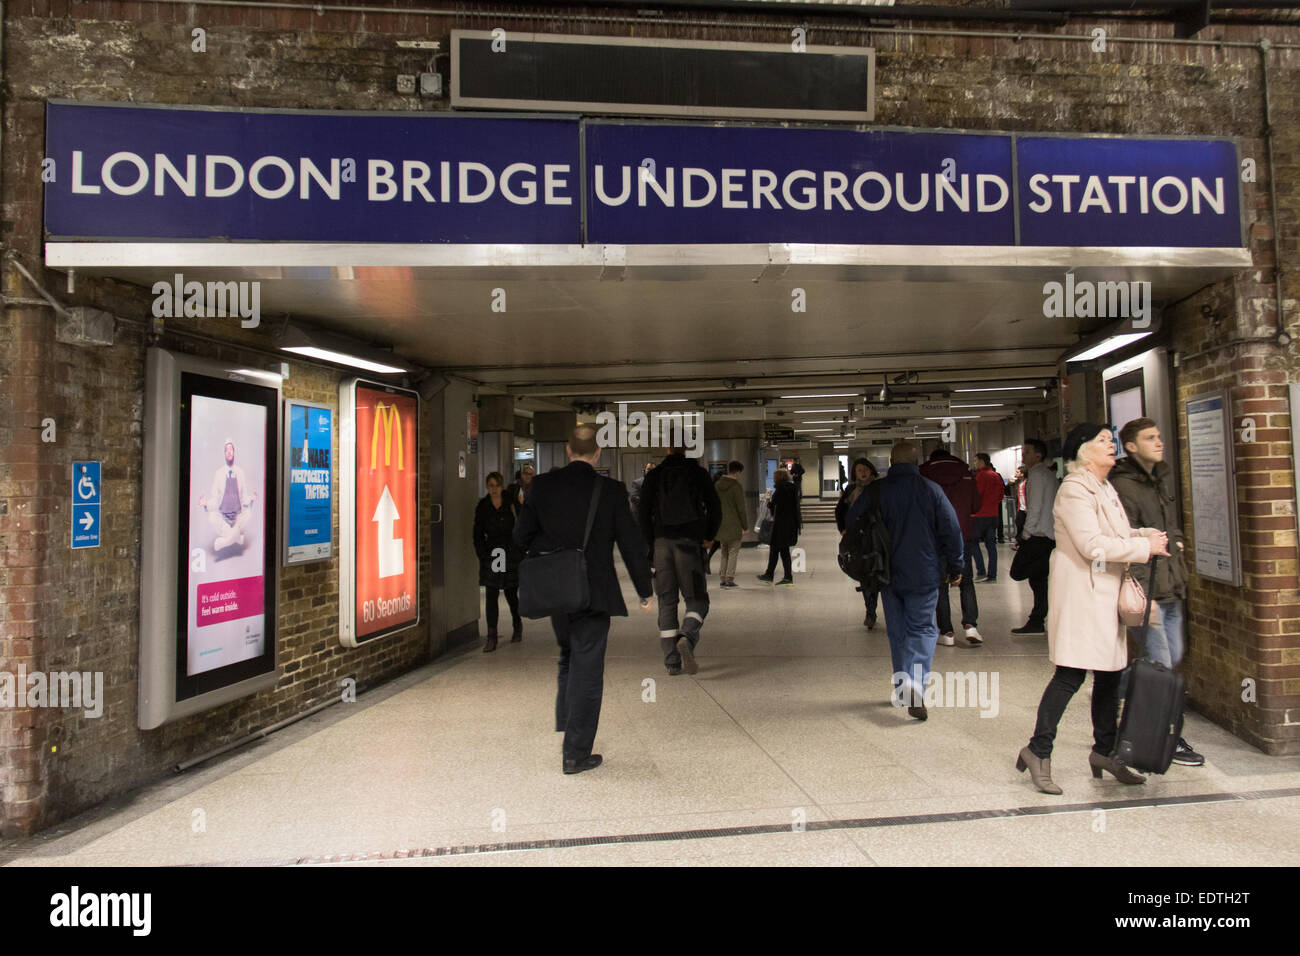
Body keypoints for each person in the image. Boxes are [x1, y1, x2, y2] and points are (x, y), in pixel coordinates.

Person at [1016, 423, 1169, 795]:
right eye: (1102, 441)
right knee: (1070, 675)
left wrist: (1143, 536)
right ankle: (1038, 750)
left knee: (1110, 674)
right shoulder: (1074, 490)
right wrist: (1141, 549)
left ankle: (1105, 752)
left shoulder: (1103, 486)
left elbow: (1113, 535)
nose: (1110, 445)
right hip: (1084, 597)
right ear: (1083, 452)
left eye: (1110, 439)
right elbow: (1090, 545)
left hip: (1105, 594)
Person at [513, 426, 653, 776]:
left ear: (567, 449)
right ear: (598, 453)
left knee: (568, 654)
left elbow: (520, 537)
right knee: (588, 670)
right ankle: (575, 753)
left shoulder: (541, 486)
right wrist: (644, 589)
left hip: (557, 590)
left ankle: (566, 721)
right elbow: (631, 544)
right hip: (594, 592)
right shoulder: (610, 491)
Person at [846, 441, 963, 721]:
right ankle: (916, 687)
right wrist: (956, 564)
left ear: (890, 460)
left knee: (897, 632)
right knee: (922, 629)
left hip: (884, 572)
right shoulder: (931, 489)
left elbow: (852, 521)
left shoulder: (876, 490)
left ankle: (902, 688)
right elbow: (951, 528)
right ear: (917, 460)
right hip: (923, 571)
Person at [1112, 417, 1204, 767]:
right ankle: (1168, 734)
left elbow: (1171, 523)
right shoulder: (1122, 485)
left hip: (1172, 583)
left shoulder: (1162, 476)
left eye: (1159, 436)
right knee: (1162, 665)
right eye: (1150, 438)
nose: (1159, 442)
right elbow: (1125, 539)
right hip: (1146, 587)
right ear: (1132, 446)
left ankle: (1113, 692)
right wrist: (1142, 595)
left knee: (1174, 654)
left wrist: (1178, 540)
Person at [639, 446, 722, 676]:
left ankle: (671, 662)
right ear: (687, 447)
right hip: (689, 543)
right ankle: (687, 635)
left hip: (661, 544)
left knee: (666, 602)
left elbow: (643, 513)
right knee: (697, 600)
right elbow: (715, 507)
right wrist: (709, 536)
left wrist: (651, 544)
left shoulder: (654, 475)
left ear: (667, 448)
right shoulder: (698, 473)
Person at [920, 446, 982, 646]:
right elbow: (976, 505)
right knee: (966, 582)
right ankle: (971, 625)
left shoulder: (923, 475)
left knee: (940, 586)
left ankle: (946, 632)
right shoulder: (967, 475)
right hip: (962, 534)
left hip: (935, 538)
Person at [1011, 439, 1058, 636]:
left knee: (1022, 572)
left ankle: (1038, 618)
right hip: (1048, 534)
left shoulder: (1038, 476)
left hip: (1039, 535)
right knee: (1039, 579)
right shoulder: (1046, 475)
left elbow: (1035, 507)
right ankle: (1038, 618)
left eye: (1027, 452)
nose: (1023, 456)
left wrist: (1025, 534)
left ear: (1038, 455)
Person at [473, 471, 523, 653]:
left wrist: (520, 550)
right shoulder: (483, 506)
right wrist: (482, 554)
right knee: (492, 592)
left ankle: (517, 623)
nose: (493, 489)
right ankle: (491, 635)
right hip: (493, 553)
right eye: (490, 486)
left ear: (501, 486)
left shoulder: (511, 504)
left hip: (509, 551)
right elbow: (477, 532)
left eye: (496, 486)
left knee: (510, 592)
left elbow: (522, 524)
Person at [836, 458, 880, 628]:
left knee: (876, 570)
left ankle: (872, 607)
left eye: (865, 469)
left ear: (871, 470)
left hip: (876, 535)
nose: (863, 472)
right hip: (857, 538)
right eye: (859, 470)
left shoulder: (879, 488)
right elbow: (840, 510)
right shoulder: (851, 490)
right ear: (854, 473)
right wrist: (843, 530)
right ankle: (870, 610)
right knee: (863, 571)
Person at [198, 438, 255, 552]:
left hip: (237, 517)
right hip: (223, 517)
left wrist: (251, 499)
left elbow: (244, 498)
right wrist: (205, 504)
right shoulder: (219, 473)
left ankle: (224, 542)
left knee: (248, 514)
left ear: (234, 452)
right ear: (224, 454)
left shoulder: (240, 472)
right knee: (212, 517)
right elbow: (215, 498)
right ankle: (238, 539)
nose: (229, 452)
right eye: (226, 450)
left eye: (231, 449)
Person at [757, 468, 800, 586]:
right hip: (790, 523)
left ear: (778, 478)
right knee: (779, 550)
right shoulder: (793, 489)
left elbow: (773, 506)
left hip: (780, 524)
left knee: (779, 550)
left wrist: (768, 501)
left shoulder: (780, 489)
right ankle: (772, 574)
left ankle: (783, 576)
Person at [712, 461, 748, 588]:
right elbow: (741, 508)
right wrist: (745, 526)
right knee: (733, 551)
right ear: (737, 472)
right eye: (740, 473)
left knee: (724, 551)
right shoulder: (736, 486)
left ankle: (722, 578)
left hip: (721, 523)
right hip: (734, 524)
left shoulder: (717, 485)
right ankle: (730, 578)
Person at [971, 453, 1004, 582]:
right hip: (993, 514)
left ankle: (981, 571)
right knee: (991, 546)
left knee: (973, 543)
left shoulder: (981, 476)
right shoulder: (996, 476)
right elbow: (1001, 494)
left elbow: (976, 494)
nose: (975, 463)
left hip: (980, 515)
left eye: (975, 460)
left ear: (981, 461)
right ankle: (992, 575)